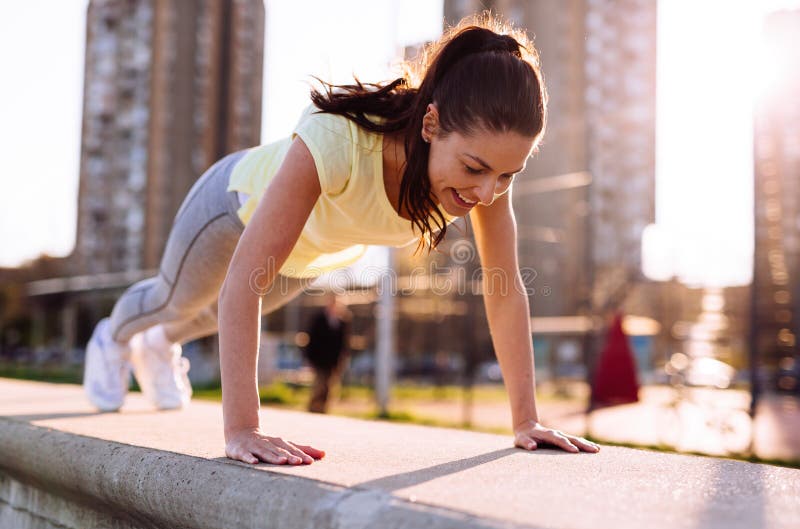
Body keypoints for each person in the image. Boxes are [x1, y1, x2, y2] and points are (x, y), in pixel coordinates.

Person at [83, 12, 600, 466]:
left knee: (197, 319)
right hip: (230, 209)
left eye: (508, 175)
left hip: (305, 253)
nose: (489, 192)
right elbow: (243, 279)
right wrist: (243, 429)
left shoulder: (485, 179)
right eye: (475, 167)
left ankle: (157, 345)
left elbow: (505, 289)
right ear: (430, 123)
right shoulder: (339, 139)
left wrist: (526, 420)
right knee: (173, 301)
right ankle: (114, 337)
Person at [303, 293, 351, 413]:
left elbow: (344, 343)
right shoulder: (318, 319)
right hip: (319, 359)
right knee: (320, 384)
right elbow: (311, 340)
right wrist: (309, 358)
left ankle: (323, 409)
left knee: (330, 386)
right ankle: (313, 408)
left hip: (333, 361)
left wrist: (342, 359)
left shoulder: (342, 322)